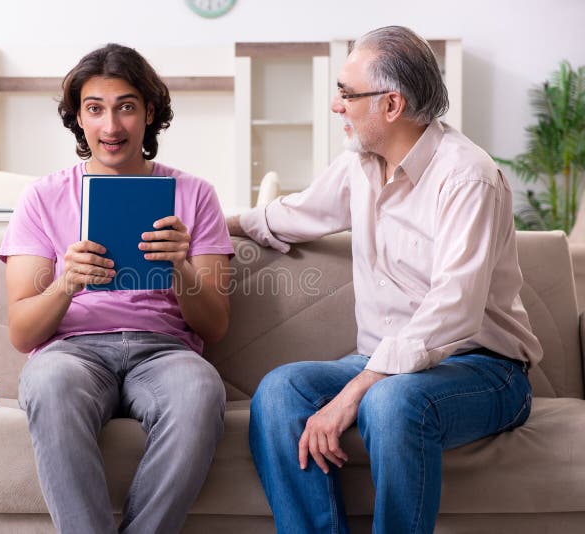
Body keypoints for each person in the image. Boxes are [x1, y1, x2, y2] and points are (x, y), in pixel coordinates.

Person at [226, 26, 542, 533]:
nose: (337, 105)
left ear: (391, 104)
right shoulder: (359, 165)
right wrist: (208, 223)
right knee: (280, 391)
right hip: (381, 363)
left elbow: (455, 308)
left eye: (347, 93)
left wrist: (357, 390)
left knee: (392, 402)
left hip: (484, 368)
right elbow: (293, 214)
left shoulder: (468, 177)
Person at [0, 43, 234, 534]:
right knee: (48, 382)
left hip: (164, 352)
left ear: (150, 113)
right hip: (72, 351)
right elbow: (23, 332)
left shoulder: (194, 194)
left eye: (126, 107)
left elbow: (214, 324)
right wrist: (67, 281)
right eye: (95, 109)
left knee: (199, 388)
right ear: (78, 119)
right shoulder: (42, 198)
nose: (111, 126)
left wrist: (180, 269)